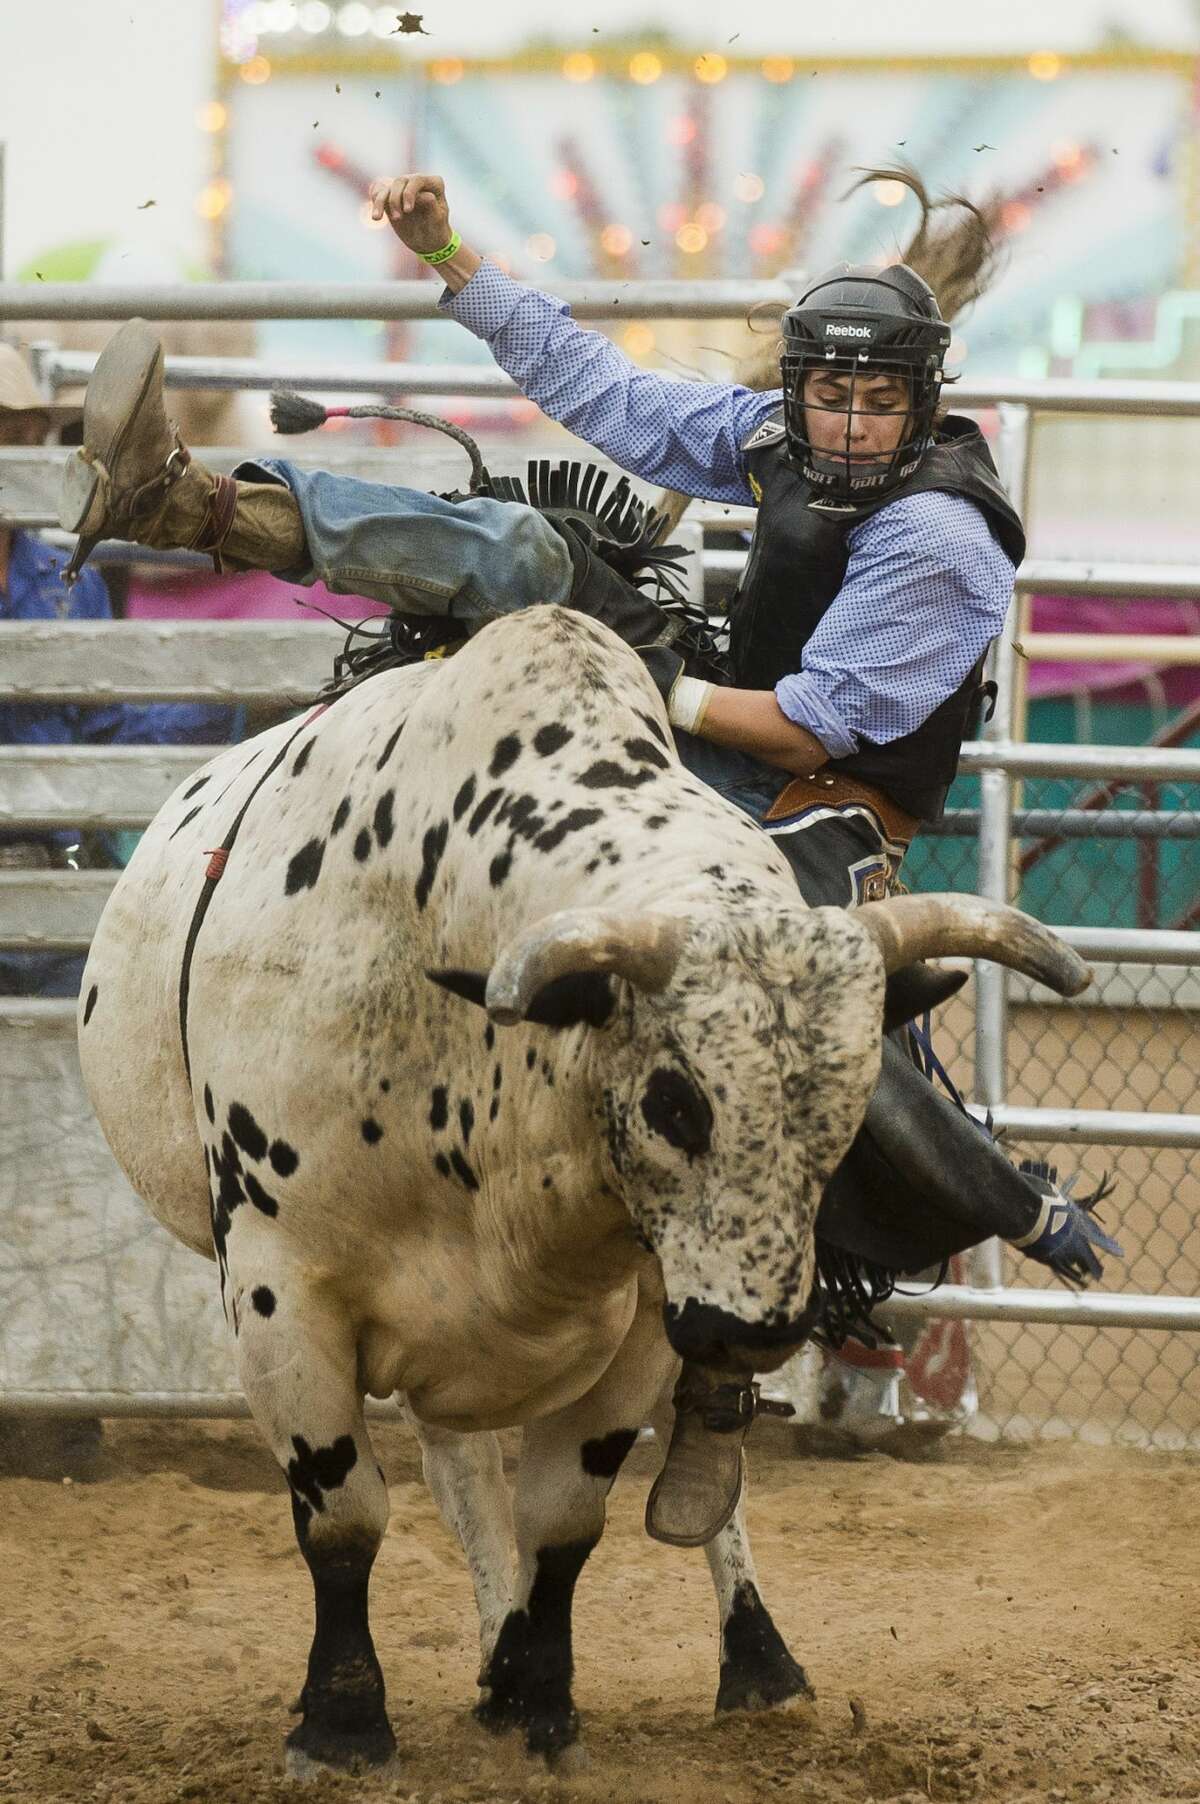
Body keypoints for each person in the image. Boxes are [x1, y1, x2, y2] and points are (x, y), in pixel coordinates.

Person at [57, 169, 1117, 1546]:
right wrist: (453, 257)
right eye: (831, 399)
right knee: (516, 550)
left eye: (878, 404)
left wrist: (649, 684)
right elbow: (607, 392)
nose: (850, 427)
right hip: (694, 754)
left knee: (792, 1015)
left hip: (823, 816)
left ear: (924, 407)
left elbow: (818, 721)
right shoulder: (772, 436)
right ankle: (191, 504)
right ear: (802, 392)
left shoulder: (943, 536)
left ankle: (828, 1315)